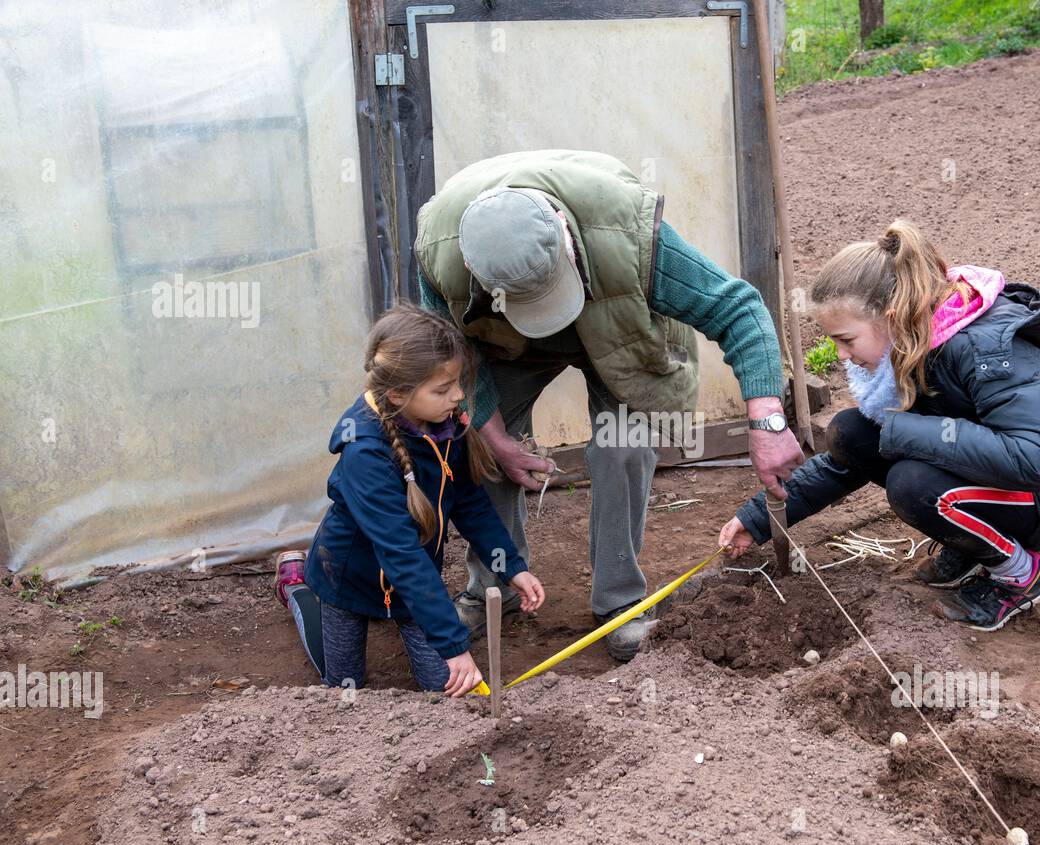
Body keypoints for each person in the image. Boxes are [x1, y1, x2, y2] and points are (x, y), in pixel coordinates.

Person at [413, 149, 803, 660]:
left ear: (562, 230)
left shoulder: (633, 237)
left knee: (624, 445)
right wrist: (498, 440)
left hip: (618, 322)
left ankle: (619, 602)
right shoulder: (439, 252)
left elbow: (739, 308)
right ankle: (495, 584)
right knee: (475, 445)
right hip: (506, 339)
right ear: (471, 265)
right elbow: (454, 358)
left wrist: (768, 421)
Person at [719, 220, 1040, 631]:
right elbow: (845, 463)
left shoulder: (985, 349)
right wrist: (760, 518)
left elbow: (1033, 460)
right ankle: (972, 543)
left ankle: (1019, 575)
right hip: (1000, 474)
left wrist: (907, 431)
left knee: (912, 484)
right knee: (851, 433)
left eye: (847, 339)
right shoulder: (913, 341)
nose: (842, 356)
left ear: (890, 317)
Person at [275, 304, 544, 696]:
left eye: (457, 383)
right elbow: (399, 552)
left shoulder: (445, 427)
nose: (457, 395)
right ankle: (297, 588)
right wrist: (455, 647)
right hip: (347, 579)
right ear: (399, 393)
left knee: (446, 689)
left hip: (412, 584)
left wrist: (511, 567)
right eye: (442, 389)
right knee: (344, 687)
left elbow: (470, 504)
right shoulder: (365, 455)